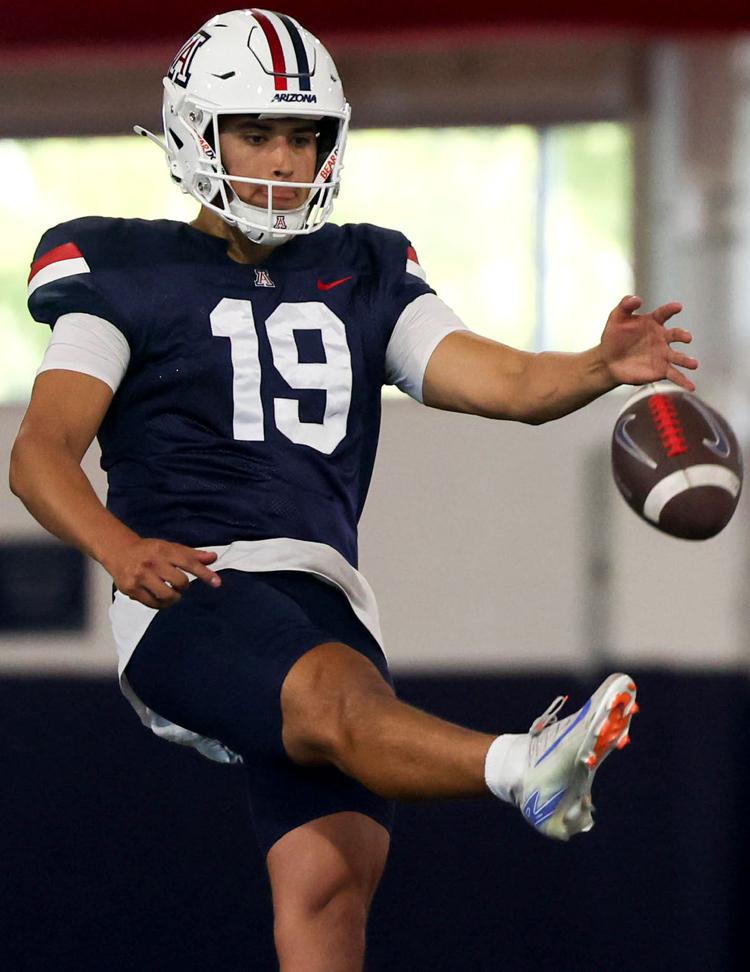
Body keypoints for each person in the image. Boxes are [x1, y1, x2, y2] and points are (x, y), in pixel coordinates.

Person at [10, 9, 696, 971]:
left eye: (302, 137)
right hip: (193, 584)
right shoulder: (124, 268)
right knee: (335, 704)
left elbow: (500, 382)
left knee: (330, 888)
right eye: (257, 132)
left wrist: (594, 363)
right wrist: (119, 550)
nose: (284, 161)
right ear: (192, 132)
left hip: (326, 599)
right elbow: (40, 450)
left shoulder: (363, 268)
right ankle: (522, 766)